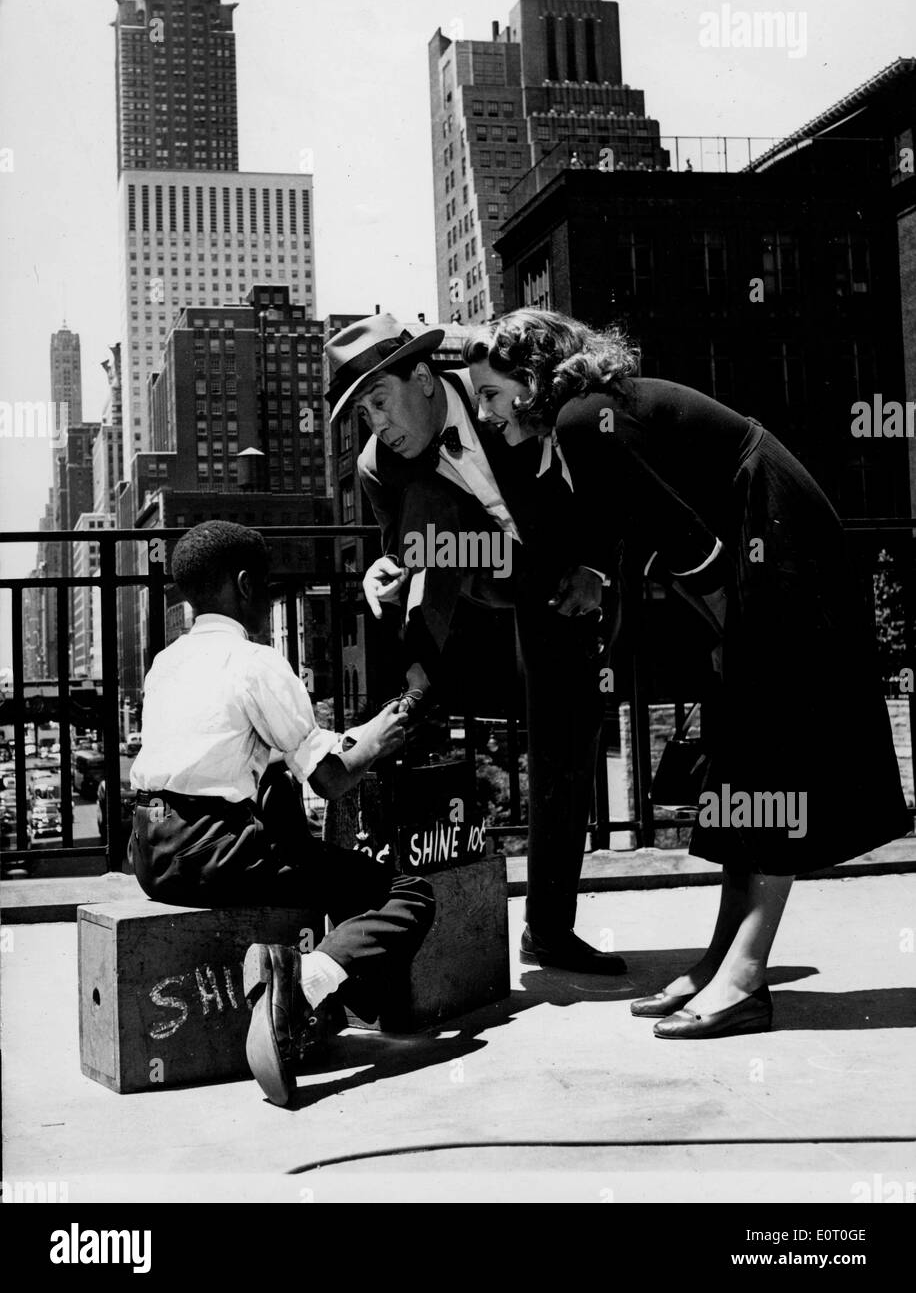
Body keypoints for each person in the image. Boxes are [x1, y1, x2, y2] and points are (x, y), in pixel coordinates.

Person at [465, 308, 910, 1039]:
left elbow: (688, 543)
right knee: (741, 751)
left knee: (773, 750)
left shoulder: (582, 419)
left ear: (531, 380)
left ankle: (746, 975)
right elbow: (642, 517)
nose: (484, 414)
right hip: (753, 531)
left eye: (489, 394)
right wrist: (604, 578)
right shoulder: (584, 421)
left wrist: (727, 636)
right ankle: (719, 961)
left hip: (772, 528)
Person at [324, 310, 626, 975]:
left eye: (380, 402)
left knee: (566, 748)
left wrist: (599, 567)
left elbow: (608, 464)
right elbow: (401, 547)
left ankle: (548, 929)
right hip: (478, 588)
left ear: (426, 377)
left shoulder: (505, 382)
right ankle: (389, 921)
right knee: (408, 680)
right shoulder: (380, 469)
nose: (377, 426)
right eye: (364, 415)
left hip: (568, 575)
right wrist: (388, 568)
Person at [130, 521, 435, 1105]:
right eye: (267, 588)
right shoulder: (256, 662)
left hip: (151, 849)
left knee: (304, 840)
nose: (269, 601)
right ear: (246, 586)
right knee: (407, 895)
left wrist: (359, 735)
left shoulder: (166, 664)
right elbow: (331, 778)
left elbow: (267, 751)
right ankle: (302, 985)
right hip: (213, 852)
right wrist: (382, 739)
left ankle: (353, 991)